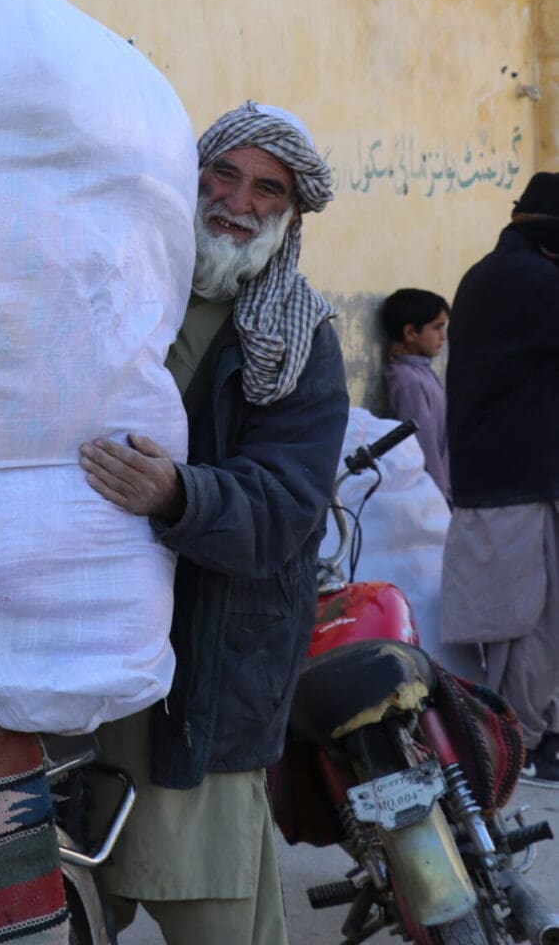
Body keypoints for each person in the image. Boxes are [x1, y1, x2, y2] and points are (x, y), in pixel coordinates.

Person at [77, 101, 348, 945]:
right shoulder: (117, 290)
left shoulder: (300, 342)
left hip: (202, 678)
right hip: (73, 666)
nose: (238, 201)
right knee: (63, 902)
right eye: (223, 175)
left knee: (218, 913)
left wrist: (179, 496)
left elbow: (284, 507)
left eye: (268, 189)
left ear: (292, 214)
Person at [440, 172, 559, 787]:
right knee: (525, 627)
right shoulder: (529, 281)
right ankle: (520, 745)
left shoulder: (496, 273)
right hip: (514, 484)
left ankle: (529, 736)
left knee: (533, 626)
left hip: (512, 479)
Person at [381, 288, 452, 501]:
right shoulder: (407, 380)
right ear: (411, 333)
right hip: (432, 495)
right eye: (437, 327)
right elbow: (423, 445)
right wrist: (442, 498)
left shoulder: (423, 372)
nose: (443, 337)